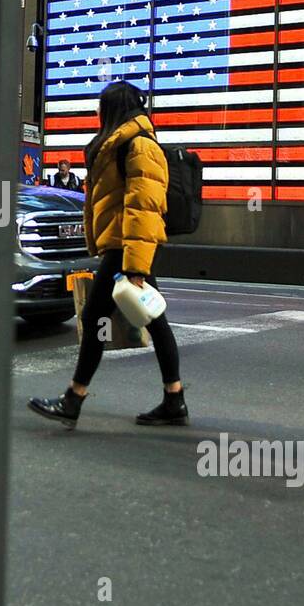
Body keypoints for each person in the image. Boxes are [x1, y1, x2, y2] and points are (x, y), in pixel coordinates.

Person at [27, 81, 186, 430]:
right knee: (155, 320)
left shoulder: (139, 145)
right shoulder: (121, 143)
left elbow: (143, 208)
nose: (96, 113)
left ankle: (74, 398)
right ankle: (173, 397)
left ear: (114, 107)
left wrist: (135, 268)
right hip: (122, 245)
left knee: (97, 317)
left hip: (127, 247)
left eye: (101, 106)